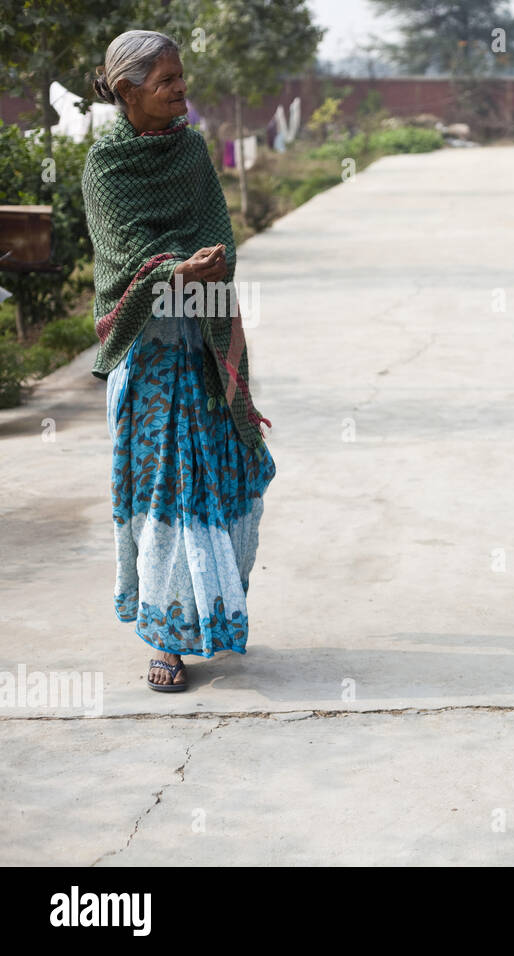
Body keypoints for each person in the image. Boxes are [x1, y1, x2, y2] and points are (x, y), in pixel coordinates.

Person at [86, 30, 274, 691]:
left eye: (182, 77)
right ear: (128, 90)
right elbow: (119, 259)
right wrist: (173, 271)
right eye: (166, 81)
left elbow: (214, 230)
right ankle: (166, 639)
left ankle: (212, 611)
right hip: (149, 359)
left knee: (226, 477)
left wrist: (209, 266)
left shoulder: (192, 149)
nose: (180, 89)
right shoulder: (105, 167)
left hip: (204, 345)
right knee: (164, 492)